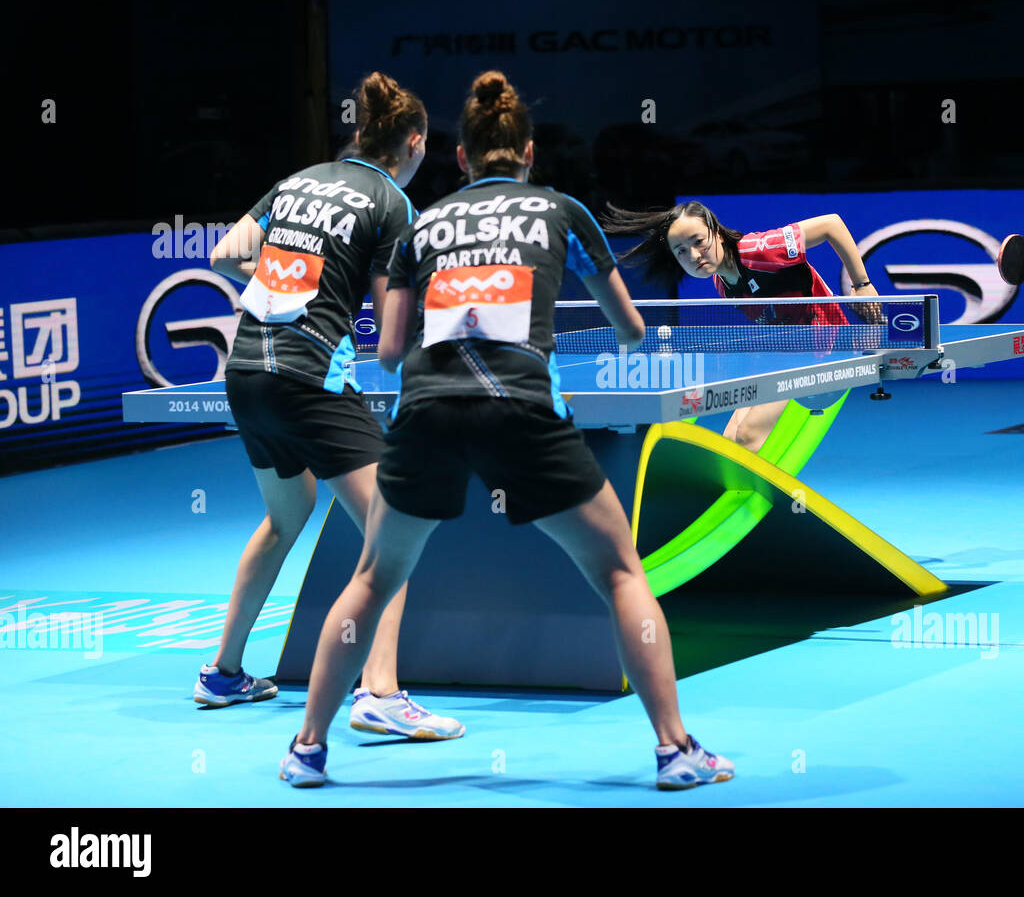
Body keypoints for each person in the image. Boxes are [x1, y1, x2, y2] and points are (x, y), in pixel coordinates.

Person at [279, 70, 735, 791]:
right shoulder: (561, 212)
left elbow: (392, 352)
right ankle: (676, 751)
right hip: (524, 411)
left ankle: (306, 749)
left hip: (424, 415)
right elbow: (631, 326)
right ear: (528, 153)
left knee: (370, 578)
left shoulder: (420, 225)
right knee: (621, 572)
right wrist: (619, 350)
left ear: (460, 159)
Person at [201, 72, 466, 740]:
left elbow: (226, 252)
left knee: (285, 515)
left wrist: (283, 283)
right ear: (412, 143)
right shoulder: (390, 202)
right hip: (307, 378)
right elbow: (391, 323)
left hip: (246, 374)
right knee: (393, 525)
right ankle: (378, 691)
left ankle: (224, 672)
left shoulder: (298, 181)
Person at [601, 201, 881, 450]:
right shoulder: (721, 283)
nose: (695, 256)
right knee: (731, 436)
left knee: (748, 435)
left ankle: (755, 496)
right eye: (682, 251)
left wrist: (862, 284)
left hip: (827, 353)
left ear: (718, 234)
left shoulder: (759, 251)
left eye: (699, 241)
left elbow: (832, 223)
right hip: (789, 357)